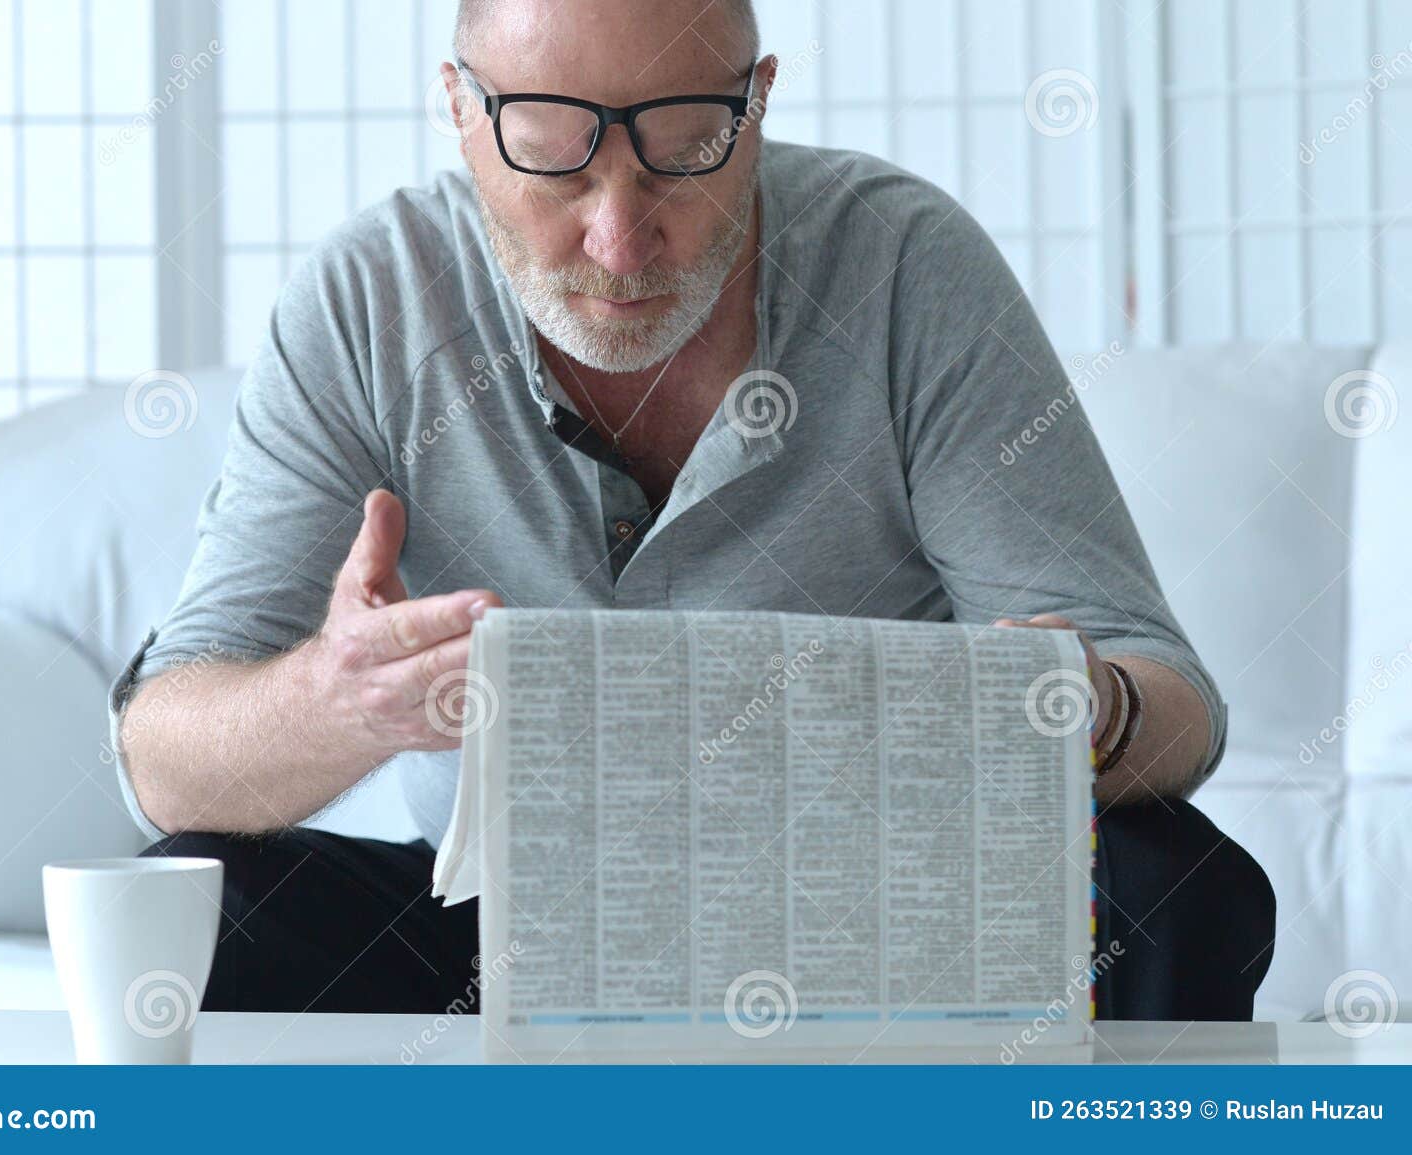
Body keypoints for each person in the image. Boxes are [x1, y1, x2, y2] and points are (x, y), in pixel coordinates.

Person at [113, 0, 1273, 1020]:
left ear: (757, 105)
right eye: (556, 160)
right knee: (197, 905)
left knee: (1172, 888)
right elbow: (163, 762)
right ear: (458, 110)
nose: (620, 243)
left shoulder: (906, 265)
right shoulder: (371, 297)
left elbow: (1177, 707)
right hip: (505, 934)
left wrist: (1092, 709)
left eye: (683, 153)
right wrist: (345, 701)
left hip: (881, 922)